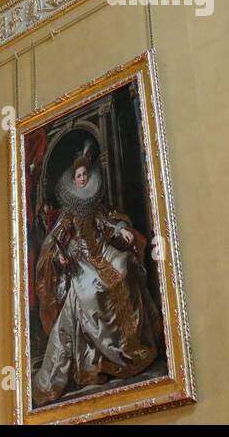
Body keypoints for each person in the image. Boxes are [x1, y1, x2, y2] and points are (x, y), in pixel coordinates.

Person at [31, 144, 164, 407]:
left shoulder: (96, 205)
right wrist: (60, 256)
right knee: (92, 291)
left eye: (84, 175)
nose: (81, 179)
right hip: (81, 260)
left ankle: (130, 346)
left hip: (102, 251)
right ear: (72, 179)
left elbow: (110, 222)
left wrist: (122, 229)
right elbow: (55, 241)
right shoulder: (68, 213)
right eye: (77, 176)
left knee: (124, 266)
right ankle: (98, 359)